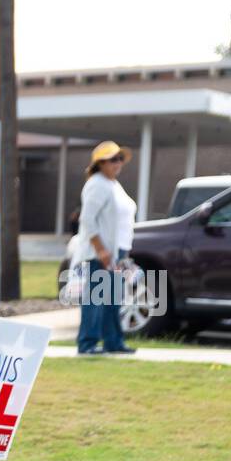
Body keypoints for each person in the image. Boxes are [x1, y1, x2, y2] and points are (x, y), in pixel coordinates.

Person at [75, 141, 137, 355]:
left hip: (118, 250)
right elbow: (88, 220)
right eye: (113, 159)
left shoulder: (113, 184)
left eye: (119, 158)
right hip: (98, 252)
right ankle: (87, 343)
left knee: (113, 298)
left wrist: (123, 253)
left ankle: (113, 342)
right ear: (100, 163)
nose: (118, 163)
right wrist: (101, 250)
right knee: (96, 298)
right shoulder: (97, 184)